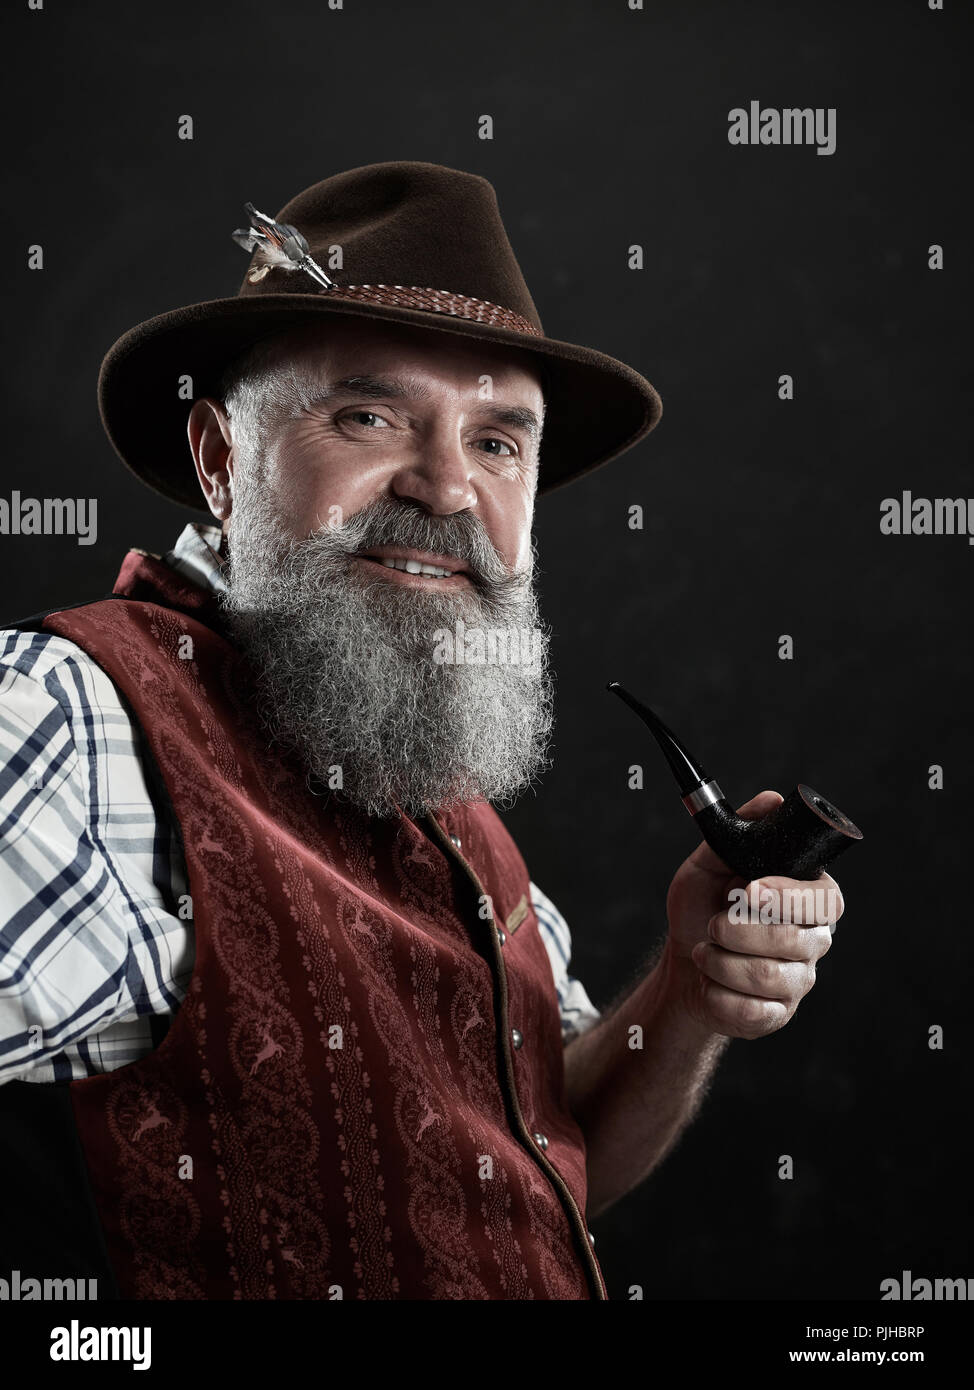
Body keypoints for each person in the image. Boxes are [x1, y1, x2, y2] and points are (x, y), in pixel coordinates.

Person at [0, 160, 841, 1300]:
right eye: (368, 414)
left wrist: (683, 995)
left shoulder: (440, 798)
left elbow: (536, 1167)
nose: (447, 487)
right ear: (220, 460)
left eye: (498, 440)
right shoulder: (70, 719)